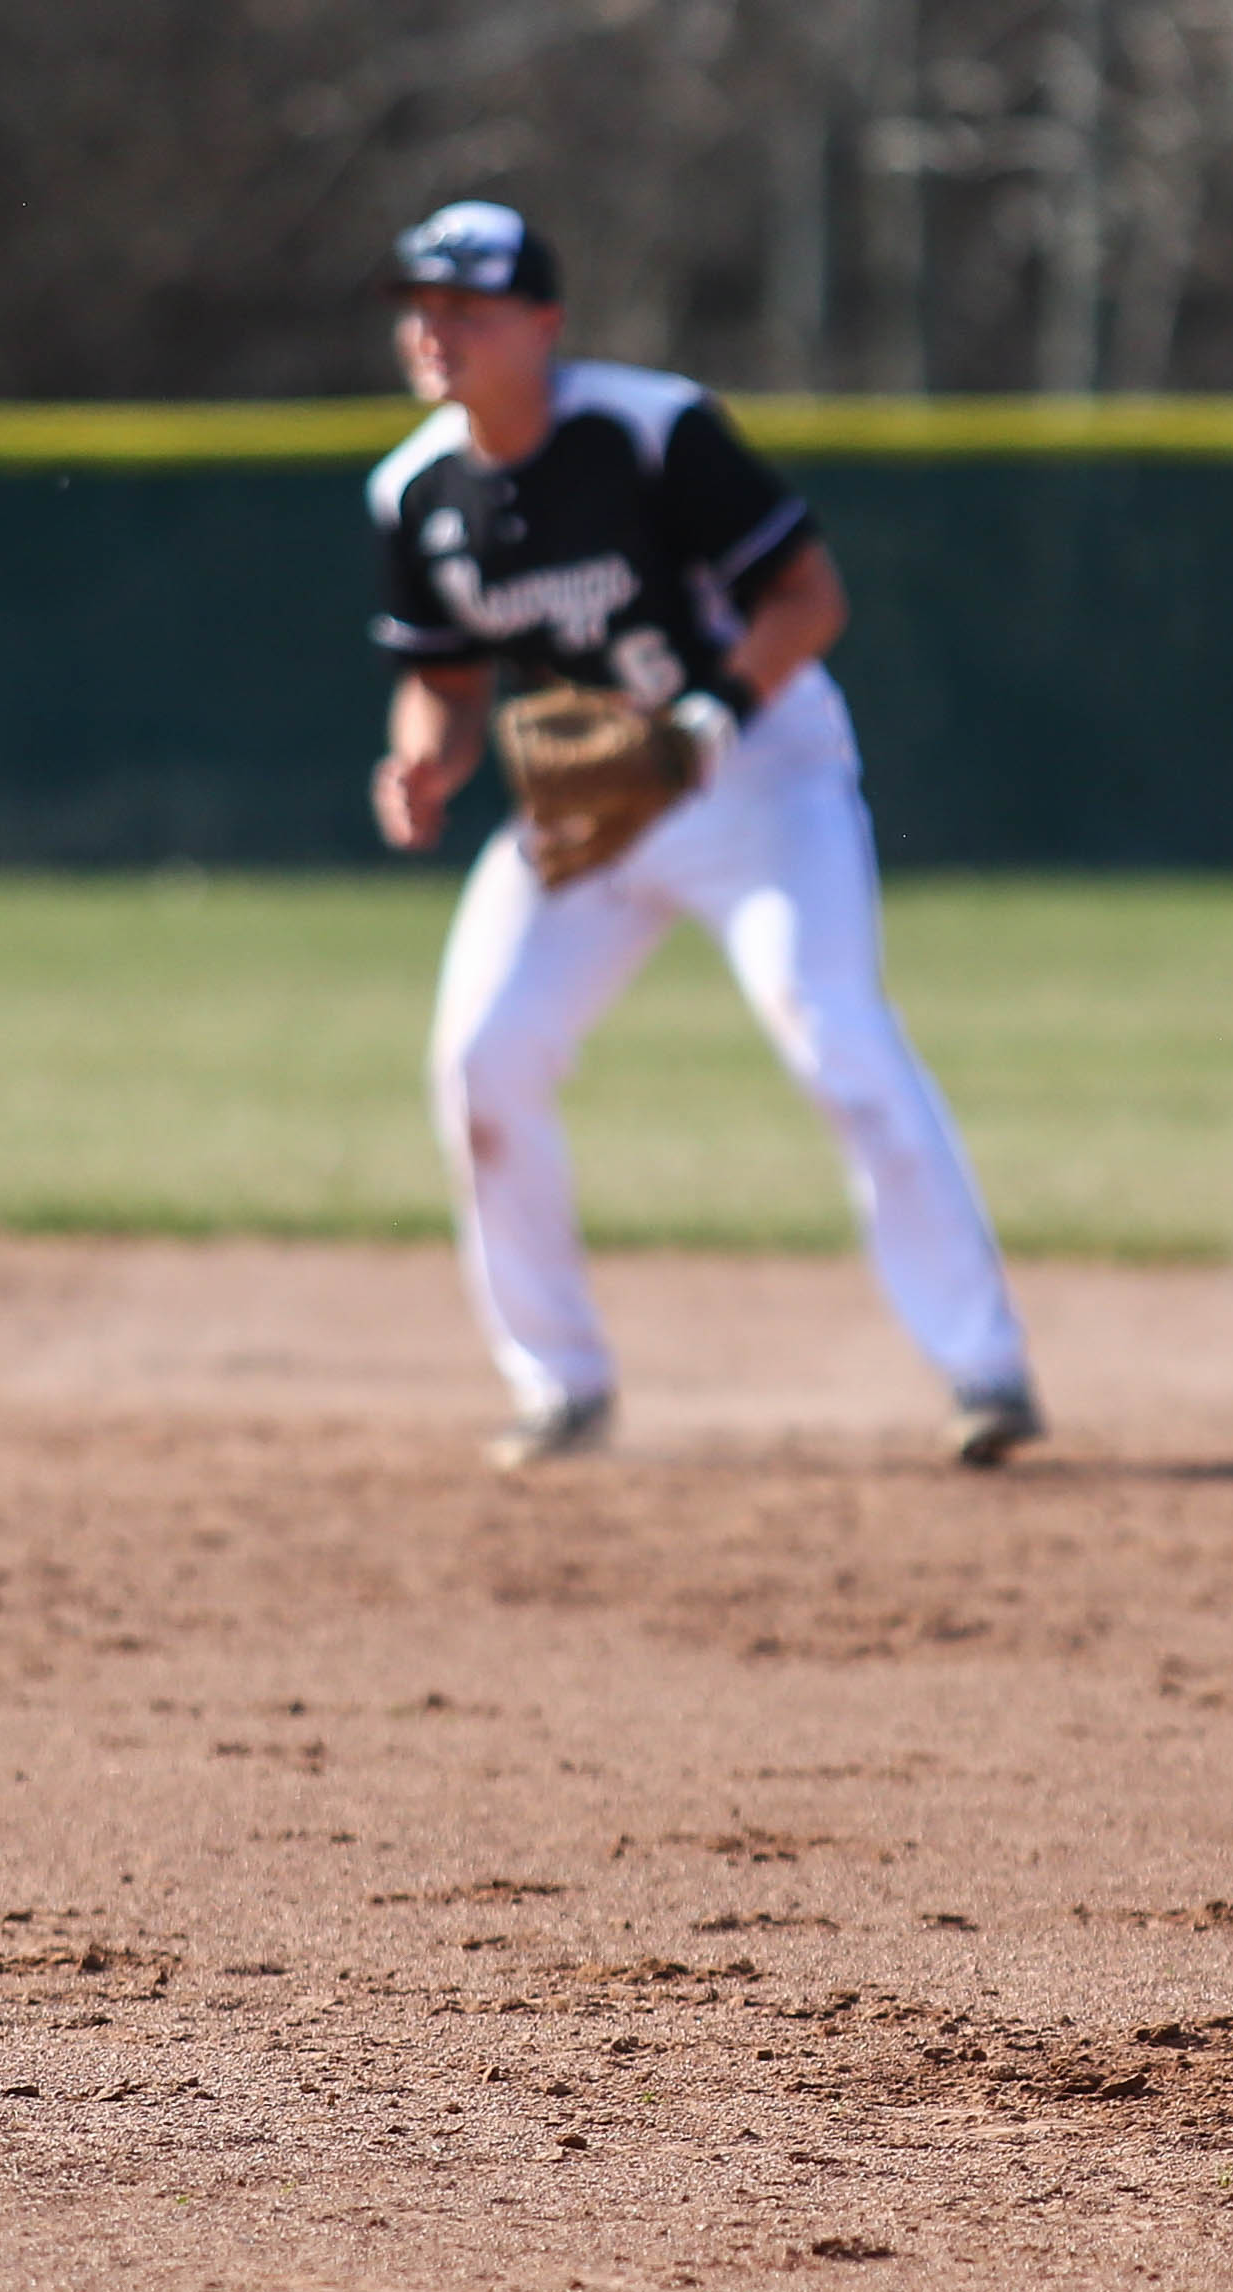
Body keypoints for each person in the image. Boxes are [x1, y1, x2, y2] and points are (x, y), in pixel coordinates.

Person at [361, 200, 1041, 1474]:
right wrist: (425, 759)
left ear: (544, 324)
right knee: (483, 1062)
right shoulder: (413, 490)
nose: (435, 332)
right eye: (421, 308)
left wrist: (706, 719)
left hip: (760, 775)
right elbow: (444, 678)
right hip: (592, 812)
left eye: (468, 308)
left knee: (832, 1028)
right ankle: (557, 1382)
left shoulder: (651, 427)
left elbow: (809, 597)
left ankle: (984, 1367)